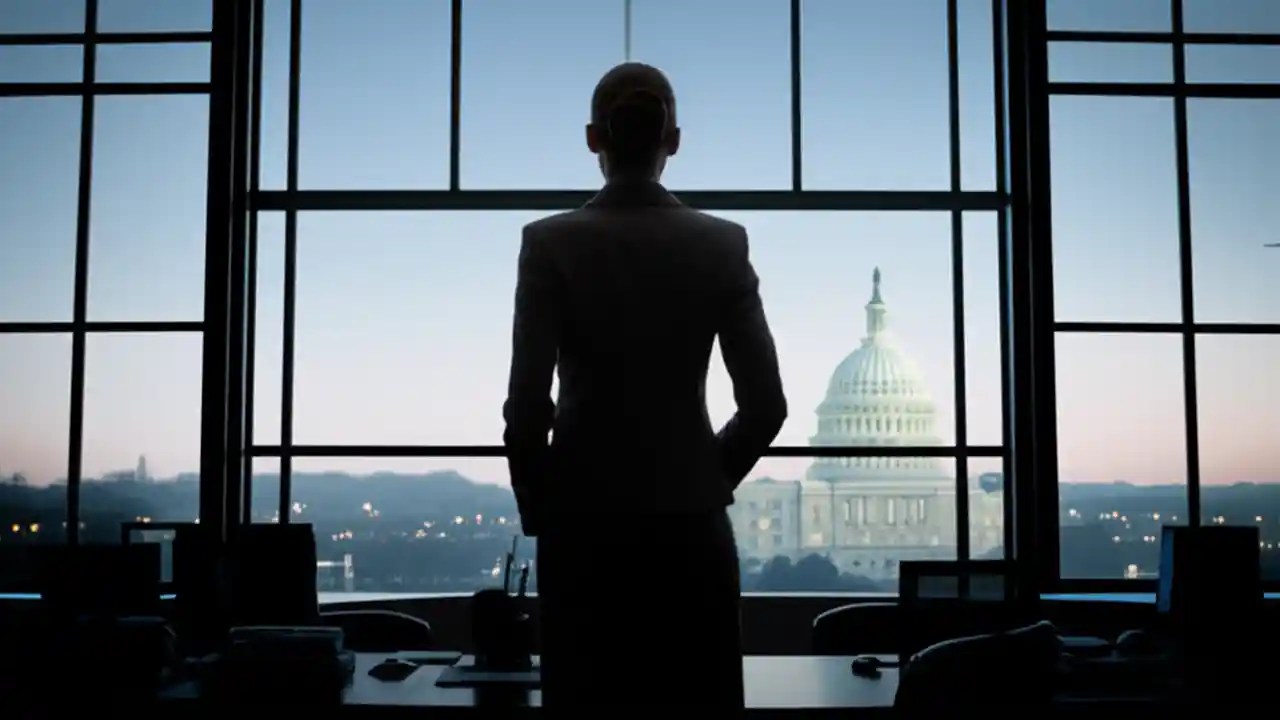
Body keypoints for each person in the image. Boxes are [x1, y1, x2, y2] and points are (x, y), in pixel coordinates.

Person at [502, 62, 787, 710]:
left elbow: (527, 408)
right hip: (690, 532)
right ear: (673, 140)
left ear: (592, 138)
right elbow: (766, 406)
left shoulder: (549, 243)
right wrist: (702, 478)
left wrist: (541, 504)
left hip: (583, 529)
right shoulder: (722, 243)